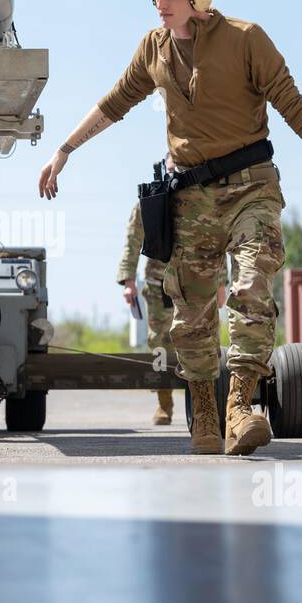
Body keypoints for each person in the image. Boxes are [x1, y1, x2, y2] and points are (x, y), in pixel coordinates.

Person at [39, 0, 302, 455]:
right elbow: (114, 103)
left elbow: (296, 108)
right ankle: (205, 413)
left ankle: (239, 406)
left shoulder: (246, 39)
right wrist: (63, 151)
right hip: (189, 198)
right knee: (189, 317)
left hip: (252, 187)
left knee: (252, 286)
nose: (160, 6)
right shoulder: (154, 48)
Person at [118, 153, 226, 424]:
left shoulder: (202, 199)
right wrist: (128, 281)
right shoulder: (150, 201)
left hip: (196, 282)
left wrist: (222, 282)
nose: (175, 172)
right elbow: (132, 241)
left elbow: (216, 240)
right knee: (160, 345)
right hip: (159, 285)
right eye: (171, 167)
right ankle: (164, 403)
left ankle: (206, 404)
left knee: (203, 339)